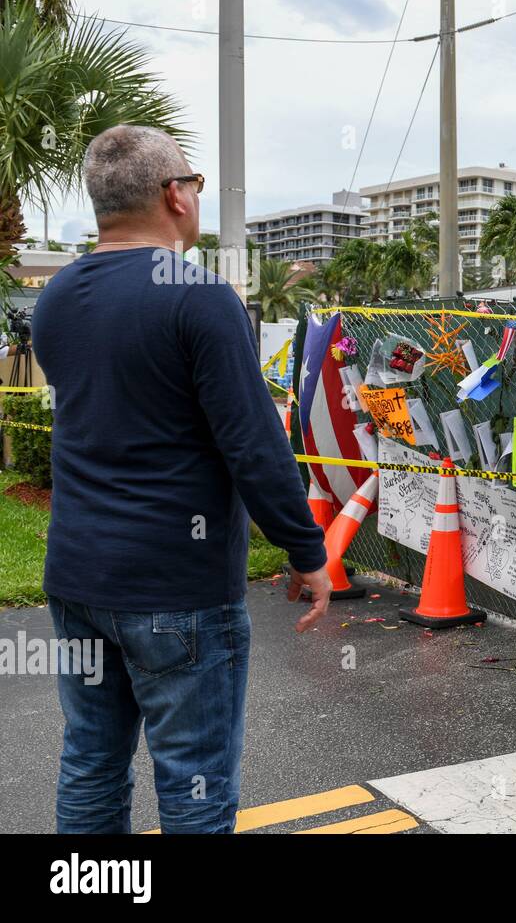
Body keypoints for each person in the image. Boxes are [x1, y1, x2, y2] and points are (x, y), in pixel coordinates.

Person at [32, 125, 331, 834]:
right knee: (194, 785)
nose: (196, 195)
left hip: (77, 577)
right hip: (177, 590)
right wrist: (307, 549)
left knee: (91, 766)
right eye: (195, 183)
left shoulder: (56, 298)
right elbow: (254, 446)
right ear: (175, 196)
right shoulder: (199, 297)